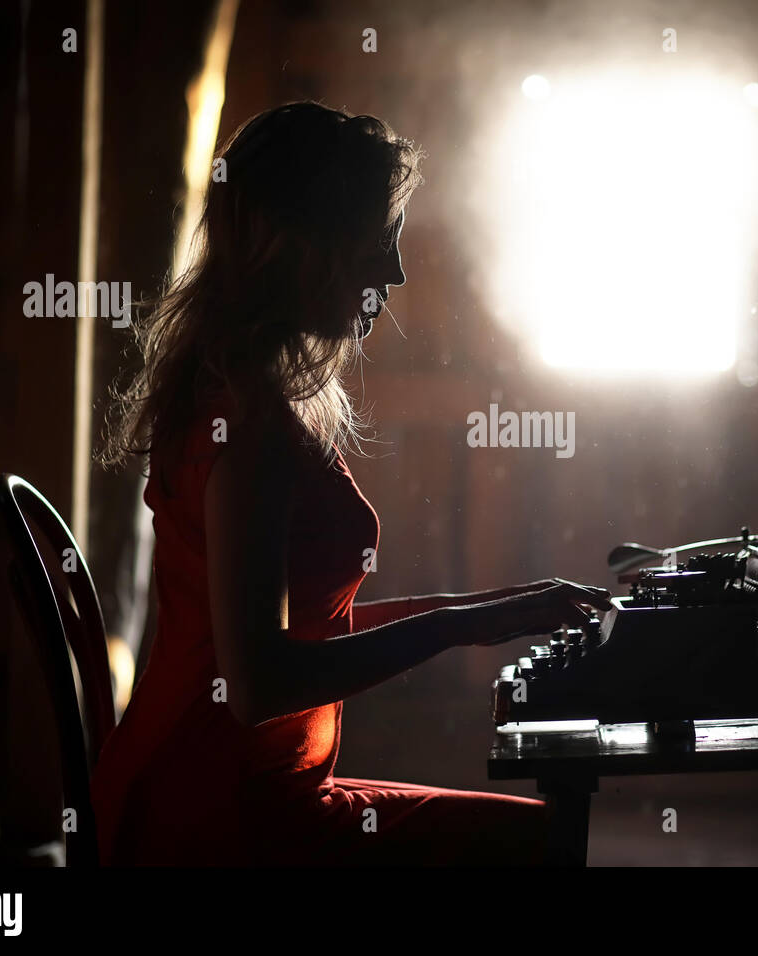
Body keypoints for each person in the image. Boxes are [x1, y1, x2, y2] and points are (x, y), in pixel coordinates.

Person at [93, 100, 611, 865]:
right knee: (533, 842)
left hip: (235, 787)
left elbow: (299, 631)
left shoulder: (245, 396)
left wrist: (488, 609)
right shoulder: (246, 426)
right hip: (215, 814)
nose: (396, 270)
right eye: (380, 240)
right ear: (304, 246)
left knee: (528, 835)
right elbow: (258, 684)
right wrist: (456, 628)